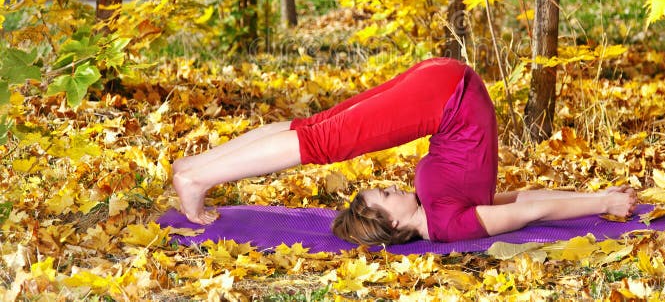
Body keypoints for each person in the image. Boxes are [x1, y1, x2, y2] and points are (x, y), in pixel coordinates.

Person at [172, 58, 637, 244]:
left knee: (315, 133)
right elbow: (528, 207)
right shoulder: (449, 222)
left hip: (447, 91)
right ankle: (195, 172)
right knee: (316, 135)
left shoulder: (440, 213)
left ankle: (196, 172)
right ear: (391, 222)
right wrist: (600, 200)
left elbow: (524, 206)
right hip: (446, 91)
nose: (392, 187)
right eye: (387, 196)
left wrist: (597, 201)